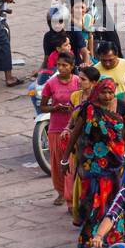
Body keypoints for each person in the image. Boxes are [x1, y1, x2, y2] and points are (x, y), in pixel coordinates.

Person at [62, 77, 125, 248]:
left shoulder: (121, 106)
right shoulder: (89, 109)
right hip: (92, 166)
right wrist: (65, 158)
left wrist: (122, 150)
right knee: (93, 203)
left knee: (113, 203)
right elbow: (75, 133)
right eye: (103, 92)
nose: (107, 96)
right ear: (97, 92)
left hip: (114, 166)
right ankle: (89, 244)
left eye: (110, 92)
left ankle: (112, 242)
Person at [41, 52, 77, 205]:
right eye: (59, 65)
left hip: (74, 128)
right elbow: (43, 106)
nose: (61, 68)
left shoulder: (78, 82)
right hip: (56, 127)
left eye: (65, 65)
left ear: (72, 66)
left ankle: (73, 194)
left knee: (72, 163)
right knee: (57, 164)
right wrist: (55, 108)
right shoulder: (51, 83)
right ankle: (61, 192)